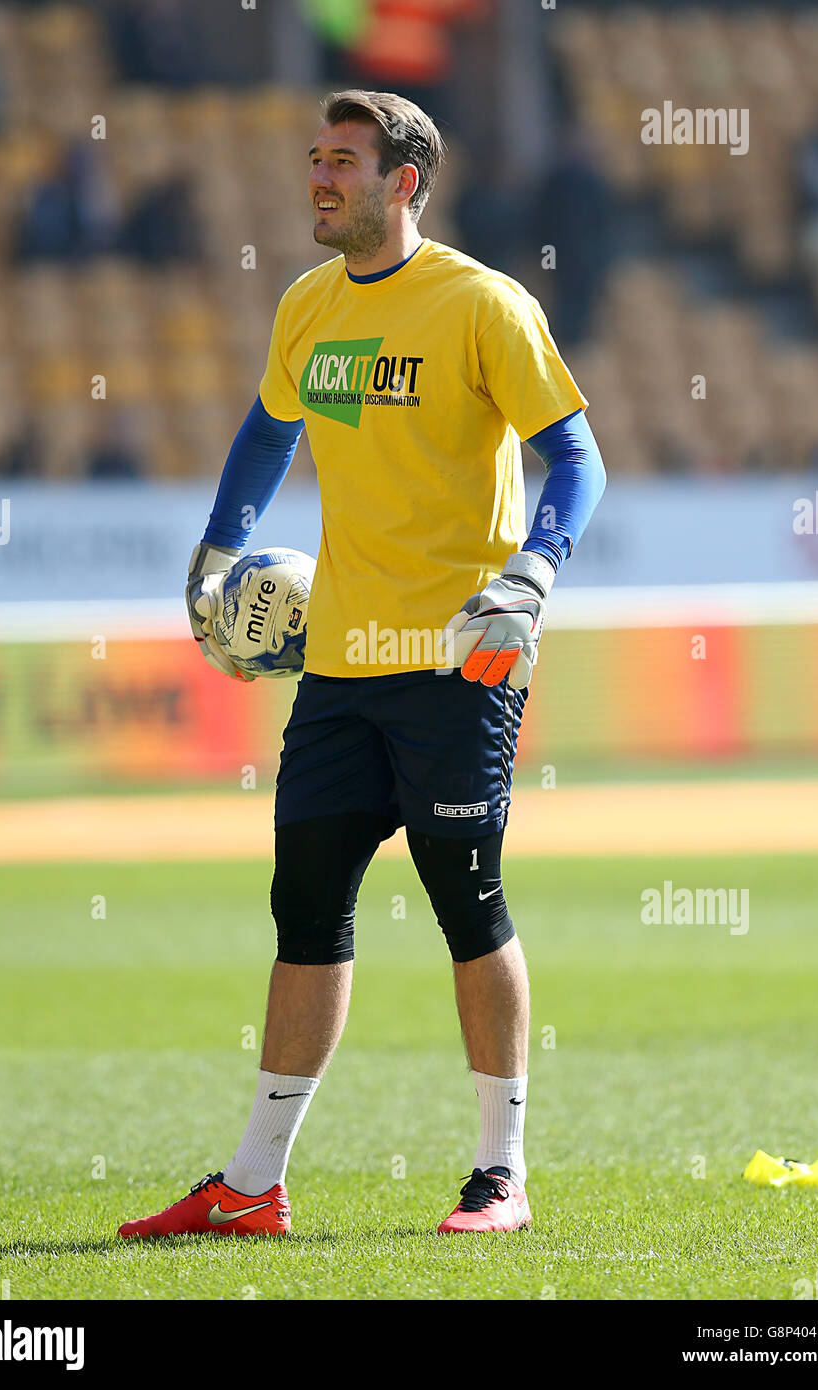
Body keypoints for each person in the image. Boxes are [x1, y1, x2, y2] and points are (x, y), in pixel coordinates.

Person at [118, 88, 605, 1241]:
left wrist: (534, 572)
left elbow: (575, 458)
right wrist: (217, 548)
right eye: (313, 159)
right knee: (305, 907)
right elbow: (268, 427)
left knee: (464, 898)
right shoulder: (306, 305)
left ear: (404, 182)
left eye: (343, 161)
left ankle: (500, 1175)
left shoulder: (483, 304)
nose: (318, 179)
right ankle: (252, 1183)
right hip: (337, 664)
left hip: (459, 657)